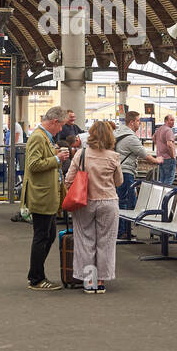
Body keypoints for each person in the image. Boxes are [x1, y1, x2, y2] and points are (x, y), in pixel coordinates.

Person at [64, 121, 124, 293]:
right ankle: (101, 281)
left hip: (85, 202)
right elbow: (119, 182)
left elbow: (69, 179)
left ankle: (89, 282)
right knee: (106, 242)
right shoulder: (114, 156)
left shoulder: (81, 154)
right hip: (108, 202)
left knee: (85, 241)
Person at [22, 106, 70, 291]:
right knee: (42, 236)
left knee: (48, 235)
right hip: (41, 195)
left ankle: (36, 275)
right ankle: (36, 278)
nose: (61, 130)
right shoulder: (38, 137)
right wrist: (57, 159)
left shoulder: (44, 138)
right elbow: (34, 165)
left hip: (46, 194)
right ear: (54, 122)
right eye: (61, 126)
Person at [114, 111, 163, 222]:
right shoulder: (131, 138)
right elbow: (145, 155)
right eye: (138, 121)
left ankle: (120, 230)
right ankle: (123, 231)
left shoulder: (116, 132)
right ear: (132, 122)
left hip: (116, 171)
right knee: (125, 201)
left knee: (120, 200)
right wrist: (157, 160)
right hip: (126, 172)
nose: (139, 124)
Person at [152, 114, 177, 187]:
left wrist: (159, 146)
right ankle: (165, 196)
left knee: (162, 178)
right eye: (171, 120)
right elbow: (169, 144)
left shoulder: (160, 129)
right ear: (166, 121)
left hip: (160, 157)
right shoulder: (168, 130)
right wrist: (172, 156)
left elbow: (153, 138)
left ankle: (161, 196)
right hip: (168, 158)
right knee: (169, 179)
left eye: (173, 120)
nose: (173, 122)